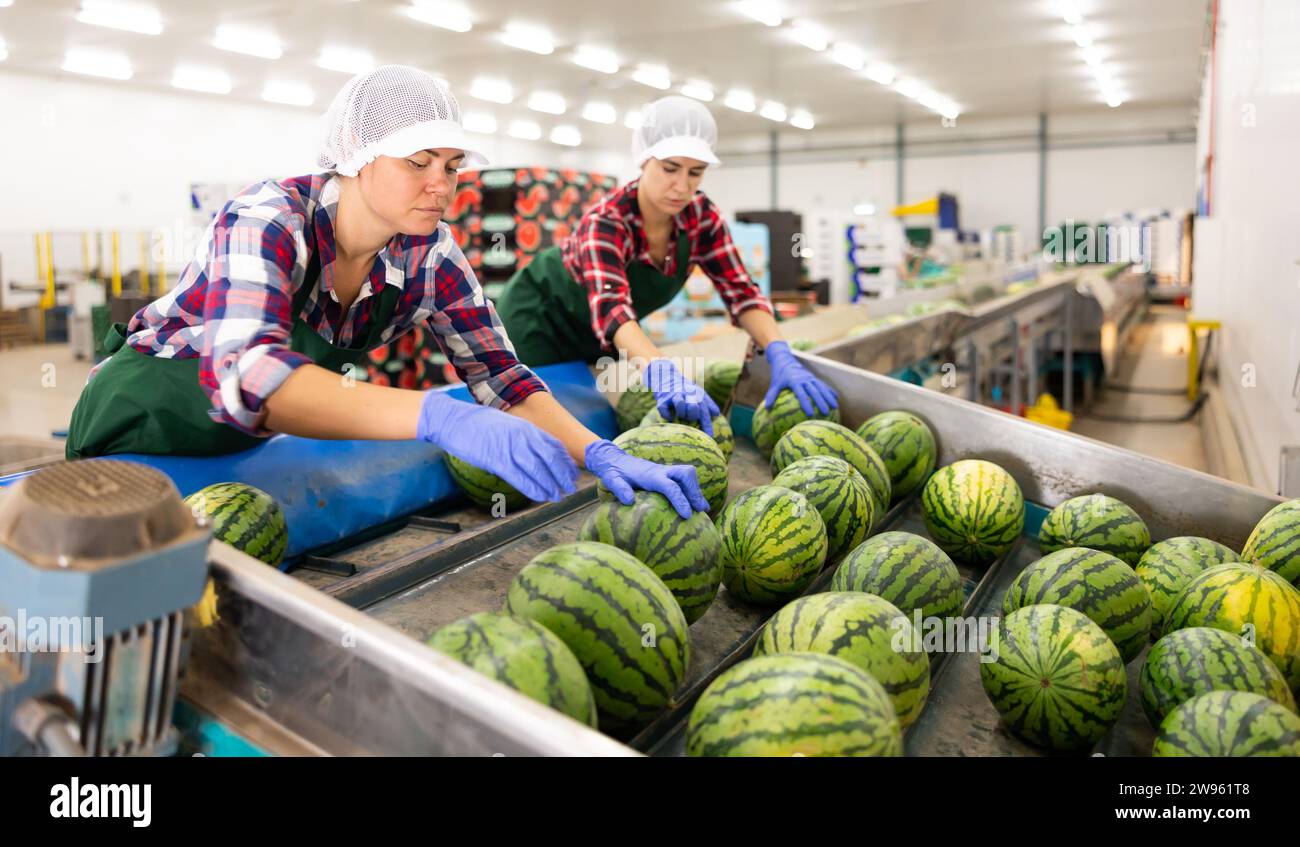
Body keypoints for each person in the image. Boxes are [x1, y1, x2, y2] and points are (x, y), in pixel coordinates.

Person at [65, 66, 707, 518]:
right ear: (354, 155)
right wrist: (436, 415)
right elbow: (251, 376)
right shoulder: (267, 219)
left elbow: (503, 378)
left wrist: (598, 452)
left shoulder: (430, 254)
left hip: (236, 454)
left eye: (452, 166)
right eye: (417, 162)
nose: (441, 185)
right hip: (139, 426)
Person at [494, 95, 838, 433]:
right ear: (644, 161)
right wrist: (660, 368)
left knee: (589, 415)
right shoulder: (608, 221)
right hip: (538, 319)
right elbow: (613, 308)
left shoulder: (701, 217)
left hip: (597, 335)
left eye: (696, 172)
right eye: (670, 168)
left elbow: (741, 291)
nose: (682, 186)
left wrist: (779, 349)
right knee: (542, 421)